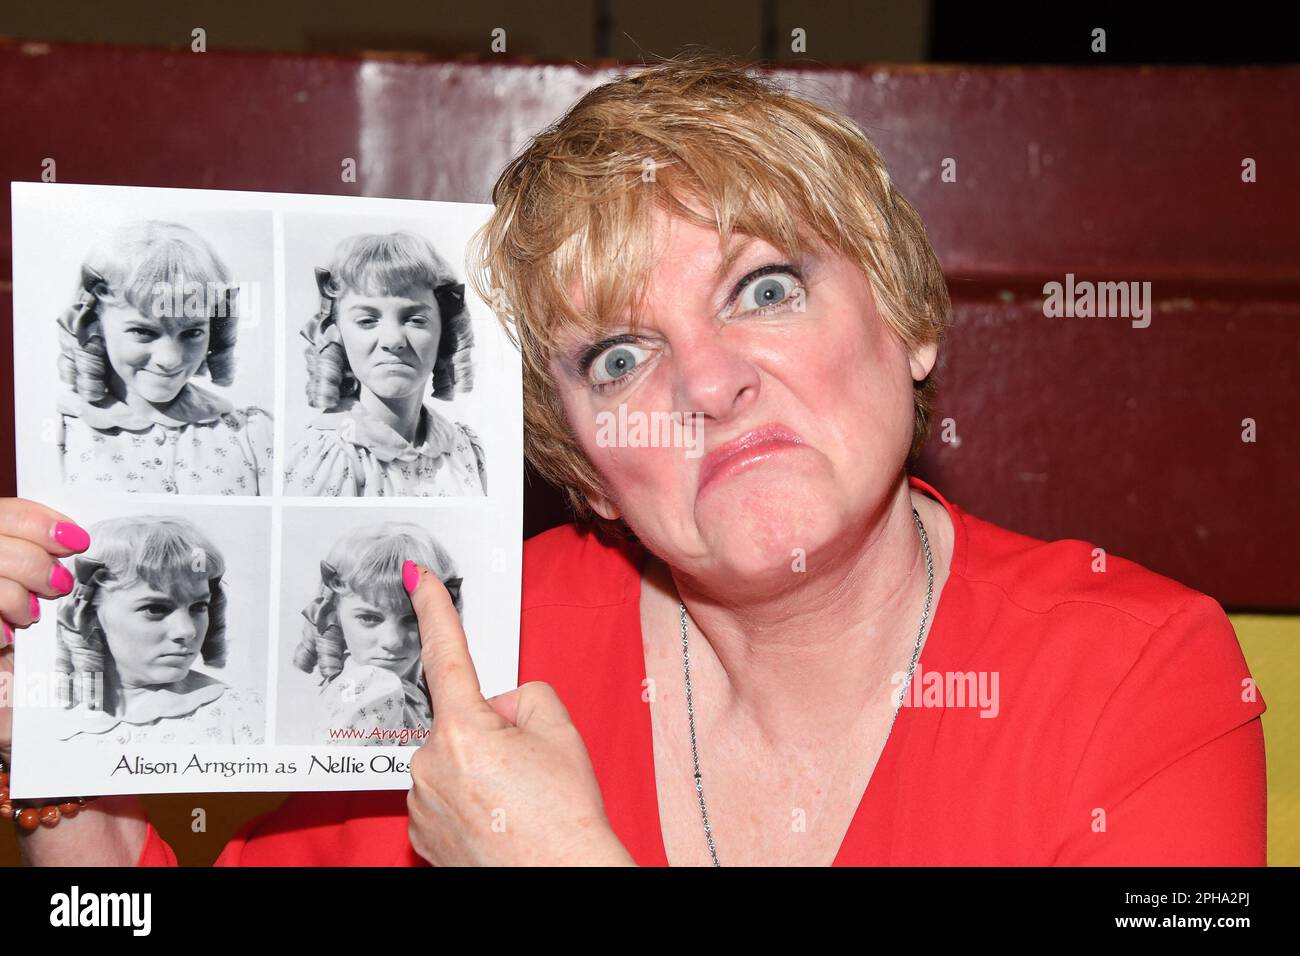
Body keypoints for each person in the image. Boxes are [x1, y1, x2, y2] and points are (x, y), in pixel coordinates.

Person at [1, 55, 1266, 865]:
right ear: (589, 471)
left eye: (763, 287)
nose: (708, 383)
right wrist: (84, 820)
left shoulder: (1146, 672)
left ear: (910, 317)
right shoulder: (462, 649)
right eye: (617, 355)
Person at [55, 220, 273, 495]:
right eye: (143, 331)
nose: (170, 359)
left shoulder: (248, 433)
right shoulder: (64, 432)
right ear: (92, 323)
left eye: (192, 332)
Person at [282, 232, 488, 497]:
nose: (393, 341)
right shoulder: (329, 455)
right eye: (367, 321)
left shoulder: (463, 448)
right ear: (336, 333)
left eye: (414, 319)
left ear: (443, 332)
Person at [49, 515, 263, 746]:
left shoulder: (243, 715)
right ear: (85, 615)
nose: (187, 630)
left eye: (198, 607)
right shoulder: (43, 726)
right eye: (155, 608)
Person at [291, 522, 463, 747]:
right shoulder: (375, 688)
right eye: (369, 618)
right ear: (332, 615)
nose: (392, 641)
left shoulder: (413, 690)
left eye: (413, 618)